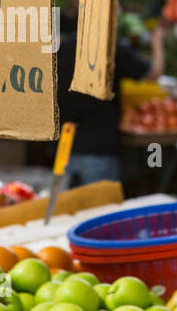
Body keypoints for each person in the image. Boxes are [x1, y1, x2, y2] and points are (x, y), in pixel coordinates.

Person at [55, 12, 164, 187]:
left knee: (67, 211)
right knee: (100, 210)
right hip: (99, 151)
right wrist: (157, 43)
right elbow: (154, 73)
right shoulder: (111, 50)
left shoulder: (64, 48)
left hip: (65, 149)